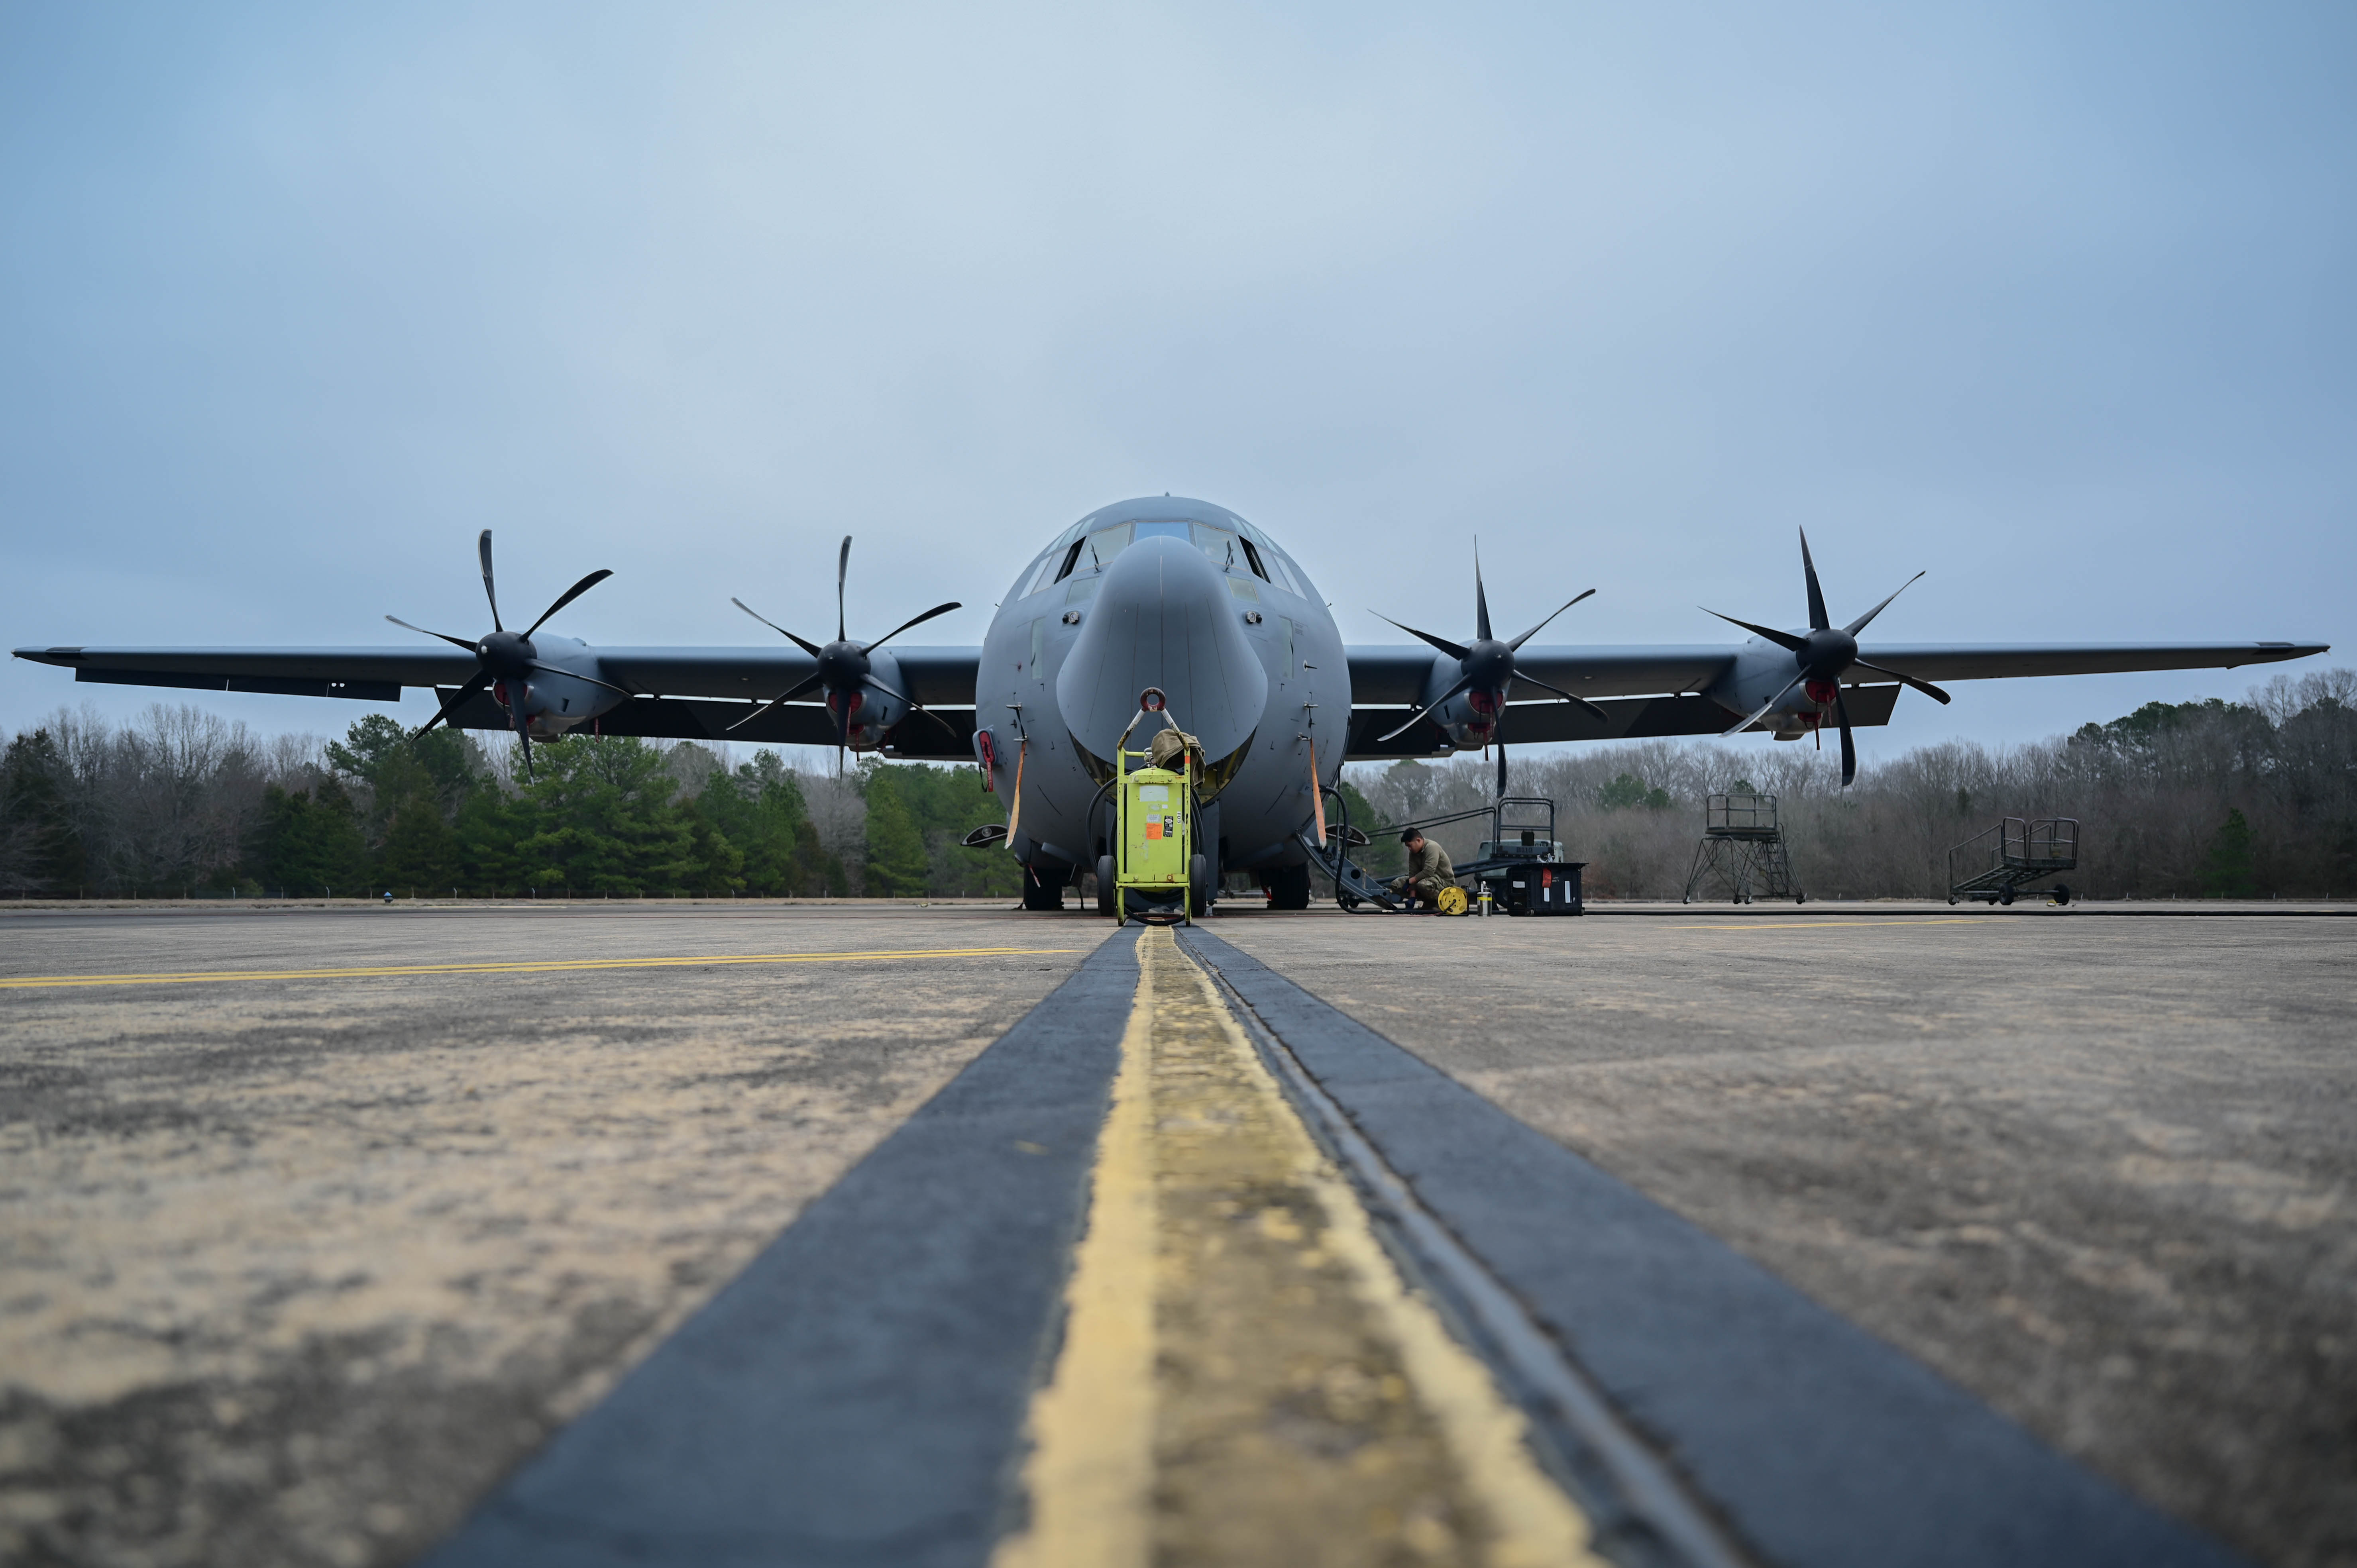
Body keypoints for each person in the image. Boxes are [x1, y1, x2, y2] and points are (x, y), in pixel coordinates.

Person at [1390, 830, 1454, 912]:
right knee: (1396, 885)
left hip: (1444, 883)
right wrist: (1412, 897)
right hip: (1425, 880)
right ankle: (1428, 902)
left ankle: (1443, 902)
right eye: (1408, 847)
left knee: (1423, 885)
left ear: (1418, 841)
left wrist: (1410, 882)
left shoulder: (1432, 847)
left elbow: (1429, 871)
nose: (1409, 849)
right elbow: (1413, 874)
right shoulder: (1413, 853)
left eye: (1410, 846)